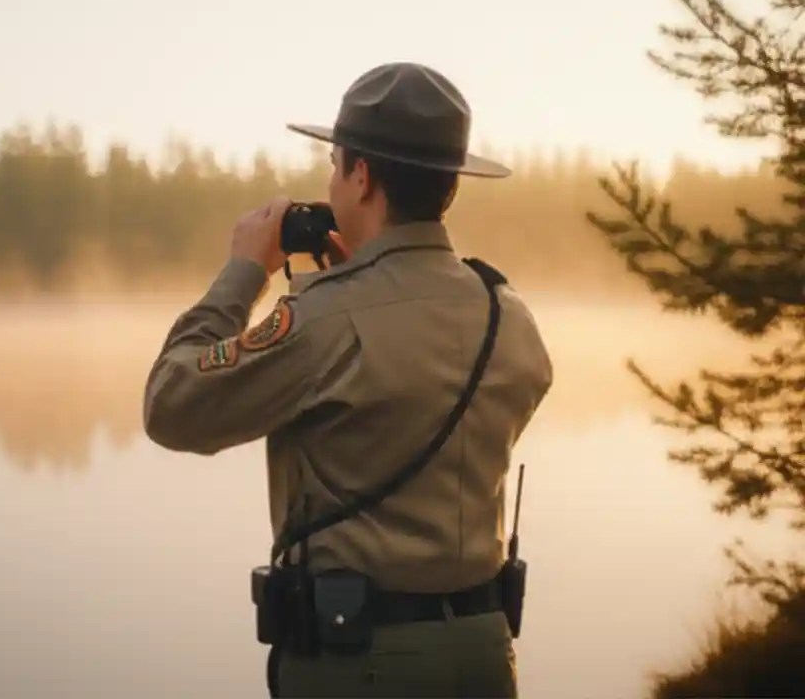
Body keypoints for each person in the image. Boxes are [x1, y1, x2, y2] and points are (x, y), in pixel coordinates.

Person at [141, 62, 554, 697]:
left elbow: (171, 405)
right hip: (484, 656)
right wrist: (360, 292)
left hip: (357, 664)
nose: (331, 182)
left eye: (335, 164)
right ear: (449, 183)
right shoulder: (508, 310)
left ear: (361, 176)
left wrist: (245, 273)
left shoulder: (321, 319)